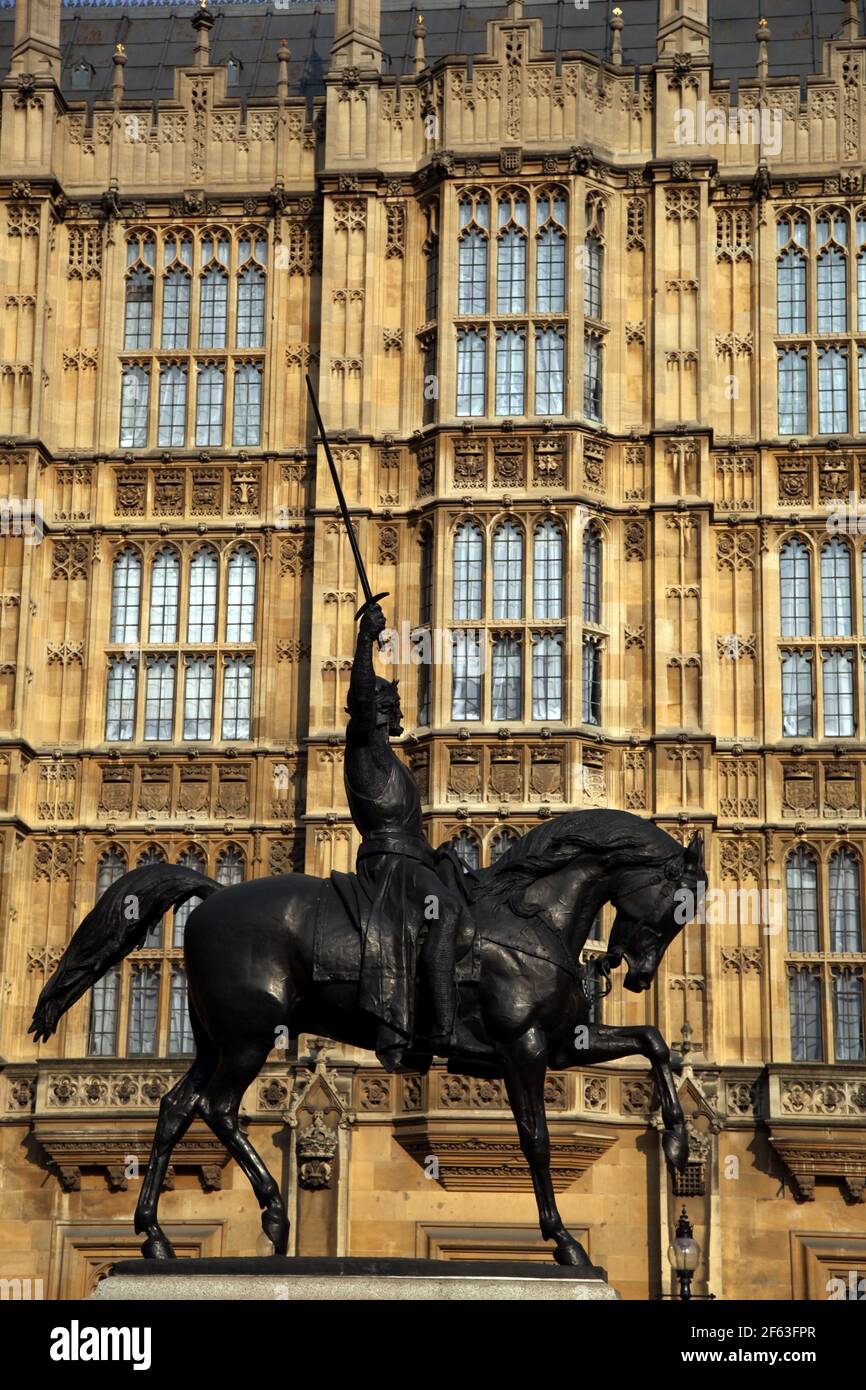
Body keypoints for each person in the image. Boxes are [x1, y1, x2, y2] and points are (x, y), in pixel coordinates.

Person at [344, 601, 466, 1070]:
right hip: (388, 866)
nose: (398, 712)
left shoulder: (391, 762)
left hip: (411, 860)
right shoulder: (367, 750)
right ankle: (440, 1027)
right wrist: (364, 641)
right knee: (448, 912)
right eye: (389, 705)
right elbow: (358, 697)